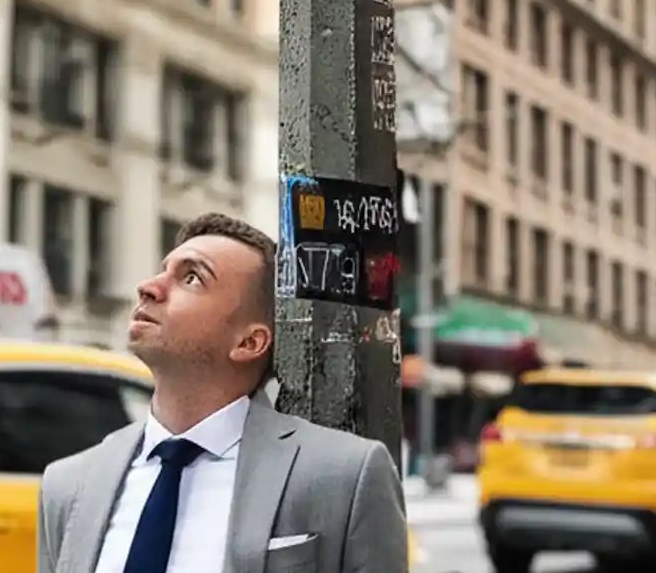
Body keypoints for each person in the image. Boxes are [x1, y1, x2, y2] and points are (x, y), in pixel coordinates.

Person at [37, 213, 408, 573]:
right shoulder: (68, 485)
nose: (148, 287)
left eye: (192, 278)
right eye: (163, 270)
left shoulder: (345, 475)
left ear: (249, 341)